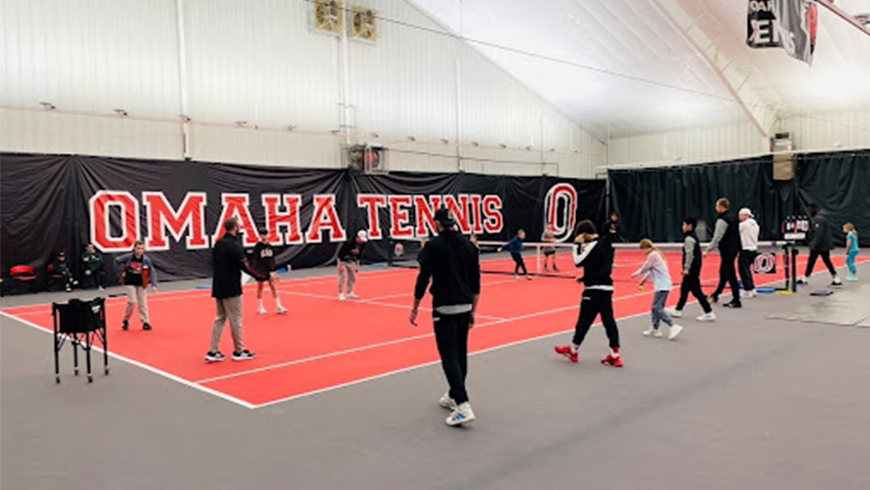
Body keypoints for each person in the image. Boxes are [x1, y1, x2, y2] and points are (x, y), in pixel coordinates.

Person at [410, 208, 481, 426]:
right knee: (460, 353)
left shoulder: (433, 246)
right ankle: (453, 395)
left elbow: (423, 278)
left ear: (437, 224)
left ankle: (463, 404)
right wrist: (473, 311)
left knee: (448, 356)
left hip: (444, 307)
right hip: (465, 304)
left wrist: (415, 307)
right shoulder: (470, 246)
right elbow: (476, 282)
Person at [554, 220, 623, 367]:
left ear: (583, 234)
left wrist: (576, 245)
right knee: (609, 321)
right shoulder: (607, 244)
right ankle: (615, 354)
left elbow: (578, 262)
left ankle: (573, 350)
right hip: (607, 289)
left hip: (593, 290)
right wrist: (585, 277)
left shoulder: (591, 245)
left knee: (584, 321)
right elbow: (600, 265)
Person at [206, 218, 267, 363]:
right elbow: (245, 266)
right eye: (239, 225)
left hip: (218, 285)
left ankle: (212, 351)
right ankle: (239, 351)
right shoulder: (235, 246)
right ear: (235, 228)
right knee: (236, 319)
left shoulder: (218, 244)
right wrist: (262, 276)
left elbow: (213, 263)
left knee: (220, 318)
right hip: (232, 287)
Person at [632, 239, 683, 340]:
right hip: (662, 285)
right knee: (656, 308)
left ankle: (672, 325)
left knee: (657, 307)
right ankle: (655, 329)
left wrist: (637, 273)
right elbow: (650, 271)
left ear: (646, 248)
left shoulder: (653, 255)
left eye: (643, 250)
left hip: (662, 285)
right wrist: (643, 281)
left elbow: (646, 267)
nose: (643, 253)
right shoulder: (656, 255)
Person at [668, 217, 716, 322]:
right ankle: (678, 309)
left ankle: (708, 312)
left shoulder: (689, 239)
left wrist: (686, 268)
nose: (683, 227)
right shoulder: (692, 237)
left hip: (692, 268)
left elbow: (689, 254)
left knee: (696, 291)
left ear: (690, 226)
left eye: (684, 225)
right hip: (695, 267)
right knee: (684, 289)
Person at [703, 198, 742, 308]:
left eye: (717, 206)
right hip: (733, 249)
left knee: (730, 274)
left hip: (727, 250)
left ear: (721, 207)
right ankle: (716, 294)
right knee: (724, 272)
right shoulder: (734, 217)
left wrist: (708, 249)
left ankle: (736, 299)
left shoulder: (722, 220)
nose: (716, 208)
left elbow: (717, 237)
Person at [114, 241, 158, 331]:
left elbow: (152, 271)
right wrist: (120, 273)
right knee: (132, 301)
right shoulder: (128, 257)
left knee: (143, 303)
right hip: (130, 281)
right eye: (138, 248)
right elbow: (116, 261)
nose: (140, 251)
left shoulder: (146, 259)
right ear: (134, 249)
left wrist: (154, 284)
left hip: (141, 282)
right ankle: (126, 320)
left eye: (142, 249)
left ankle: (145, 322)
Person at [797, 204, 841, 286]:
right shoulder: (823, 217)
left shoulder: (818, 219)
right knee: (826, 261)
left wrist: (813, 244)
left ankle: (805, 278)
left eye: (809, 210)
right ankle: (836, 278)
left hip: (819, 245)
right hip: (823, 244)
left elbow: (819, 234)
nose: (808, 212)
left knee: (812, 261)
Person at [252, 229, 287, 315]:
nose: (264, 236)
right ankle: (260, 307)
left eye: (265, 234)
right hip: (261, 270)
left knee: (273, 287)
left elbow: (272, 259)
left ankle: (279, 306)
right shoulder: (257, 247)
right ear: (260, 236)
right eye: (262, 235)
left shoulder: (270, 246)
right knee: (260, 287)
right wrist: (258, 271)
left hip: (269, 270)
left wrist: (273, 270)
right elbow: (256, 260)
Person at [337, 230, 368, 301]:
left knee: (353, 276)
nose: (362, 241)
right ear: (357, 237)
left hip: (352, 261)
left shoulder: (362, 244)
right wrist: (341, 265)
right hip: (343, 260)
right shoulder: (349, 243)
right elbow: (340, 254)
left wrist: (357, 265)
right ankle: (341, 293)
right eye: (361, 239)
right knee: (343, 276)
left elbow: (359, 255)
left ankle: (350, 292)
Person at [738, 208, 760, 298]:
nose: (739, 217)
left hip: (745, 249)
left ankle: (748, 290)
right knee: (748, 270)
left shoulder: (743, 225)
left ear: (746, 215)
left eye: (741, 215)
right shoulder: (756, 225)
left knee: (743, 270)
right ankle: (752, 288)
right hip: (753, 249)